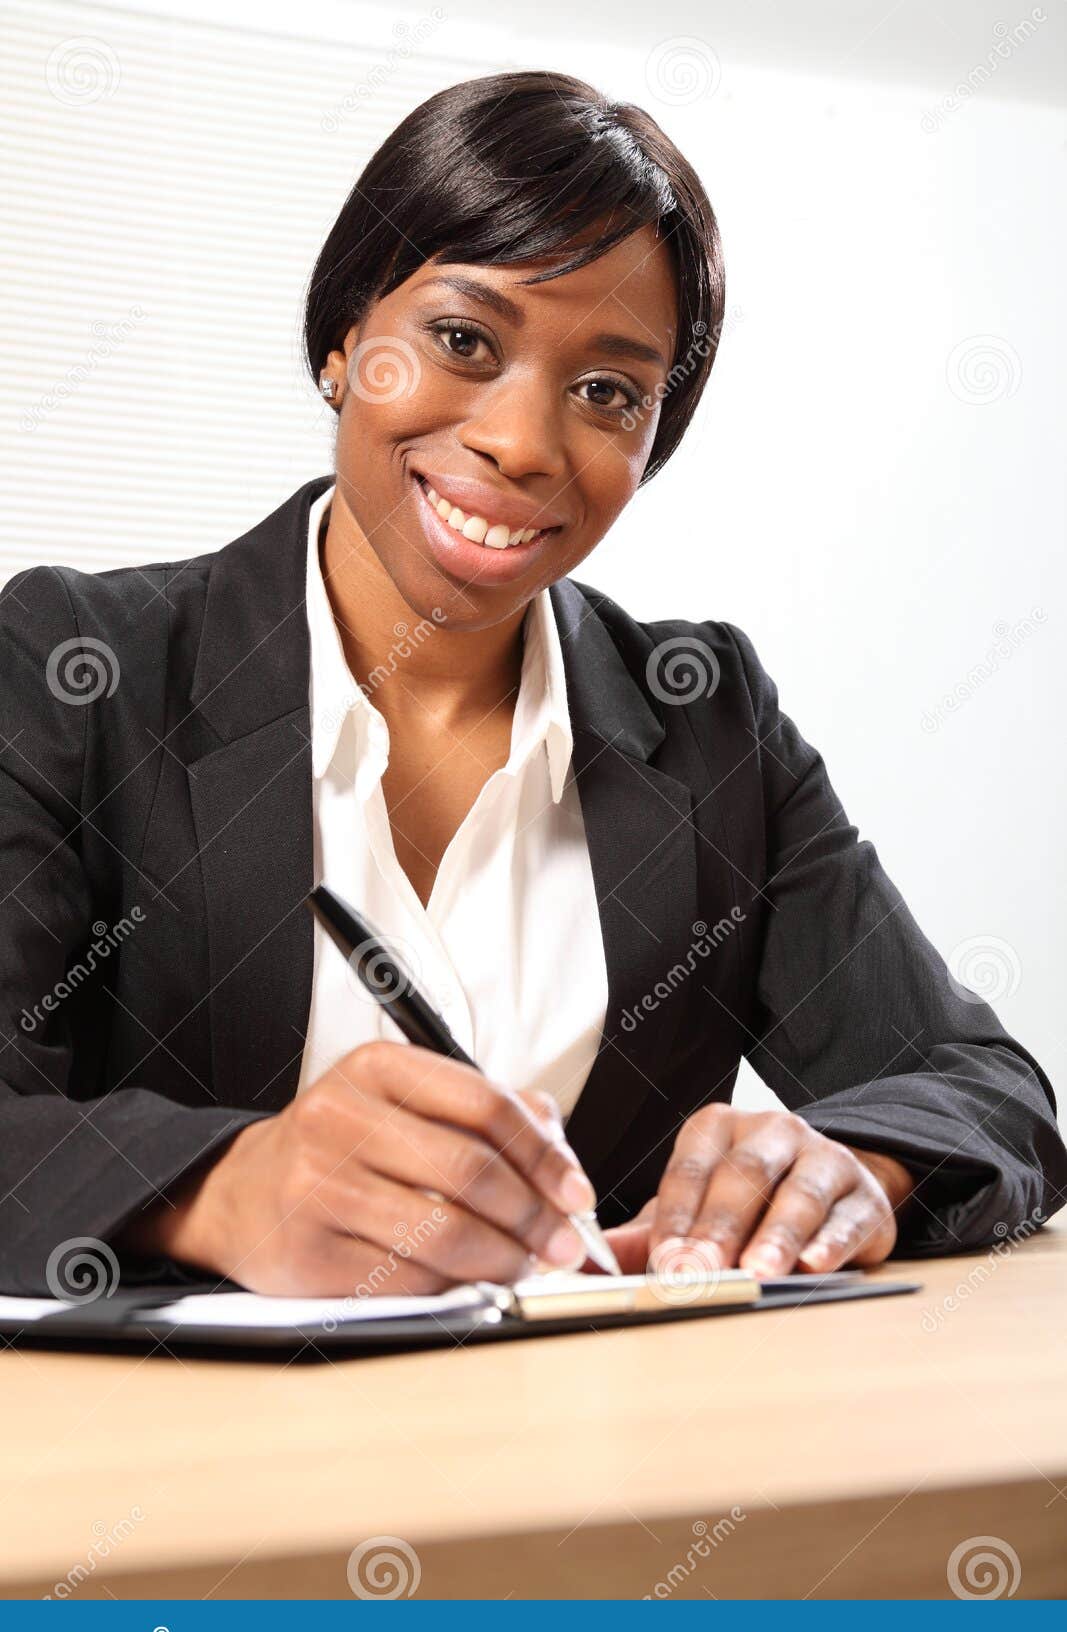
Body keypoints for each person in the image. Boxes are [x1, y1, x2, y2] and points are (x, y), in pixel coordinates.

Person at [0, 71, 1062, 1300]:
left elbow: (982, 1085)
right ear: (344, 340)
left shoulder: (707, 722)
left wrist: (846, 1164)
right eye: (462, 341)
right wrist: (219, 1188)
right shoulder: (76, 667)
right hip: (182, 1473)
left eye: (607, 392)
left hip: (592, 1467)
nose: (521, 441)